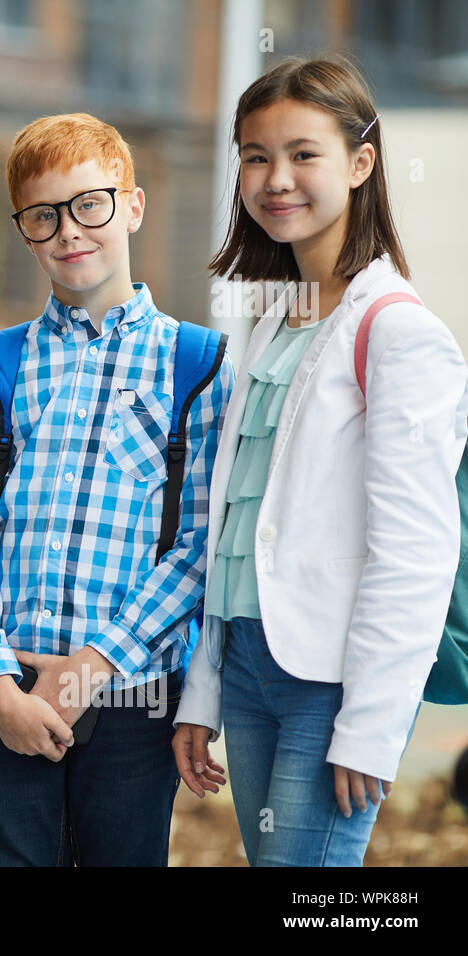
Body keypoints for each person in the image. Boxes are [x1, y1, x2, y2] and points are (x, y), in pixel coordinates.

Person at [173, 55, 468, 866]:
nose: (275, 178)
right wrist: (205, 691)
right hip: (249, 664)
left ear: (361, 163)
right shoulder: (275, 321)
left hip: (334, 680)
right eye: (255, 155)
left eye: (304, 154)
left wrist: (371, 727)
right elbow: (230, 521)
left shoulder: (400, 332)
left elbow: (417, 550)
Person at [0, 112, 234, 866]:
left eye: (89, 204)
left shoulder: (196, 365)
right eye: (44, 216)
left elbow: (201, 545)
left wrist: (96, 665)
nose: (69, 231)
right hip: (12, 693)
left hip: (135, 697)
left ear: (130, 205)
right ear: (25, 231)